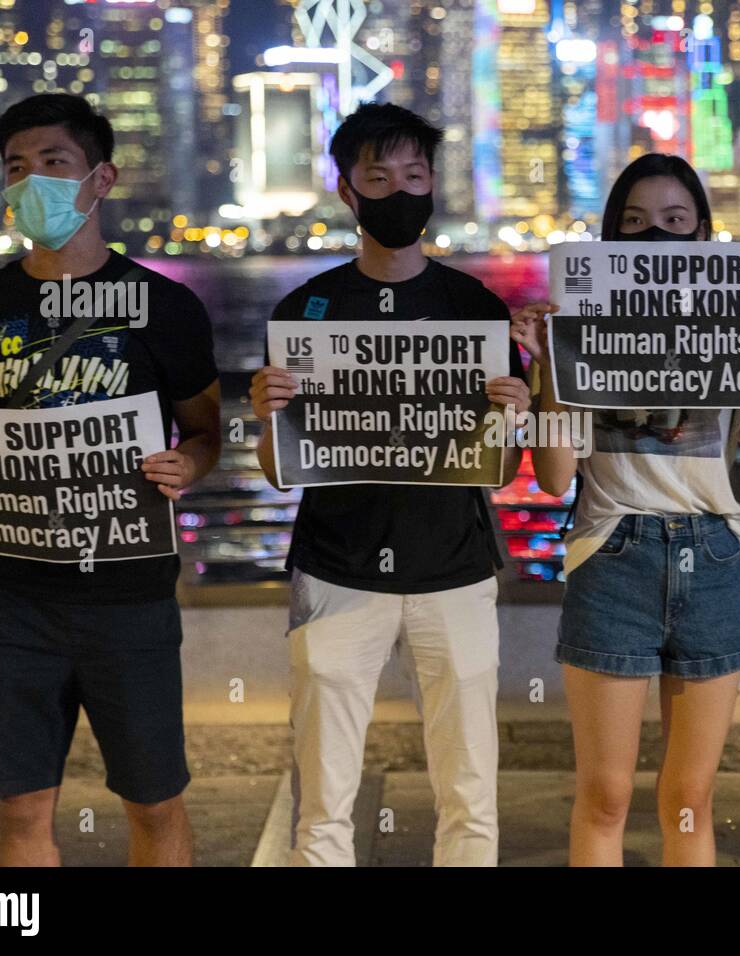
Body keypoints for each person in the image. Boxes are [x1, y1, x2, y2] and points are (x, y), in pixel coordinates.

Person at [0, 94, 222, 866]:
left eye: (54, 163)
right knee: (21, 812)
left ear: (100, 178)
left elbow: (207, 430)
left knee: (154, 804)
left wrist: (191, 464)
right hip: (16, 600)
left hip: (132, 594)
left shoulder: (164, 305)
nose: (32, 183)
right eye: (17, 168)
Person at [511, 153, 740, 866]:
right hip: (612, 554)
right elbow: (556, 476)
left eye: (675, 222)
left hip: (713, 558)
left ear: (704, 235)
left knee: (690, 796)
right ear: (612, 242)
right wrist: (548, 368)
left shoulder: (736, 331)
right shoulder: (582, 331)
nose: (657, 235)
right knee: (606, 793)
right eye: (636, 224)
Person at [250, 103, 530, 867]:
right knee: (323, 803)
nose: (400, 191)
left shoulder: (476, 309)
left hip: (456, 567)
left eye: (415, 175)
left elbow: (499, 472)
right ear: (348, 191)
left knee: (471, 792)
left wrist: (517, 413)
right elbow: (282, 471)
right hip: (336, 569)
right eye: (380, 177)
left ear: (433, 186)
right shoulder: (305, 311)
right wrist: (263, 415)